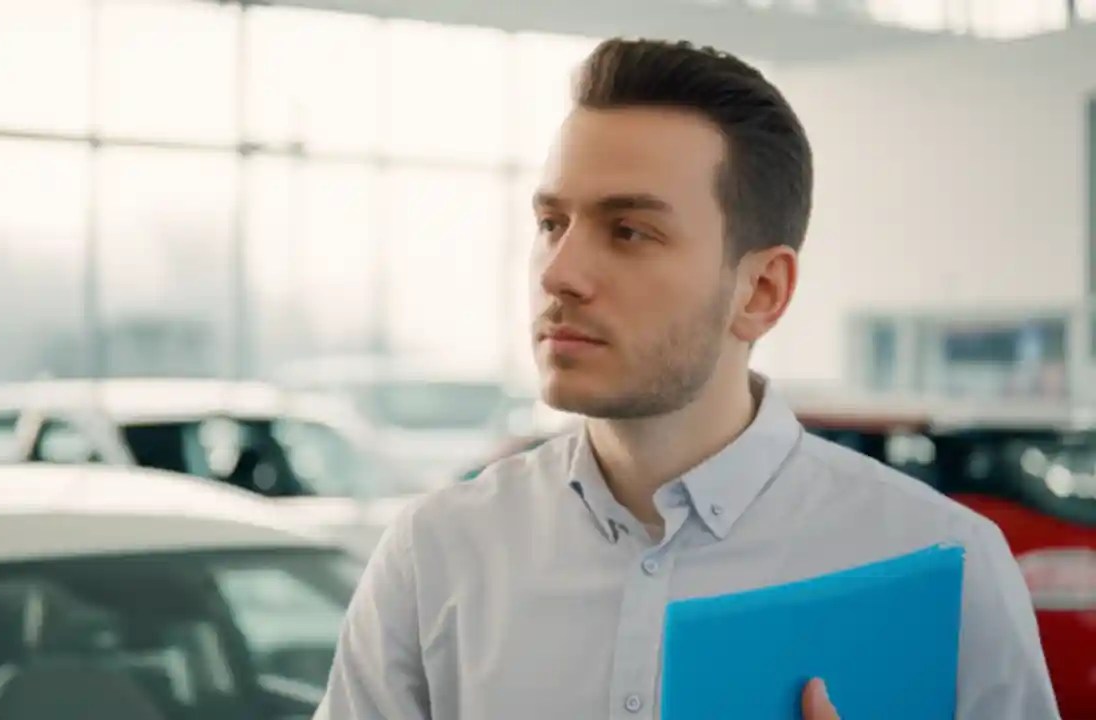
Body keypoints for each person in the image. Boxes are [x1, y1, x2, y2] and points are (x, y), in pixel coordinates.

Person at [315, 38, 1058, 720]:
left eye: (629, 231)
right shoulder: (438, 555)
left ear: (762, 291)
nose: (561, 273)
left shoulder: (942, 570)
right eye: (551, 224)